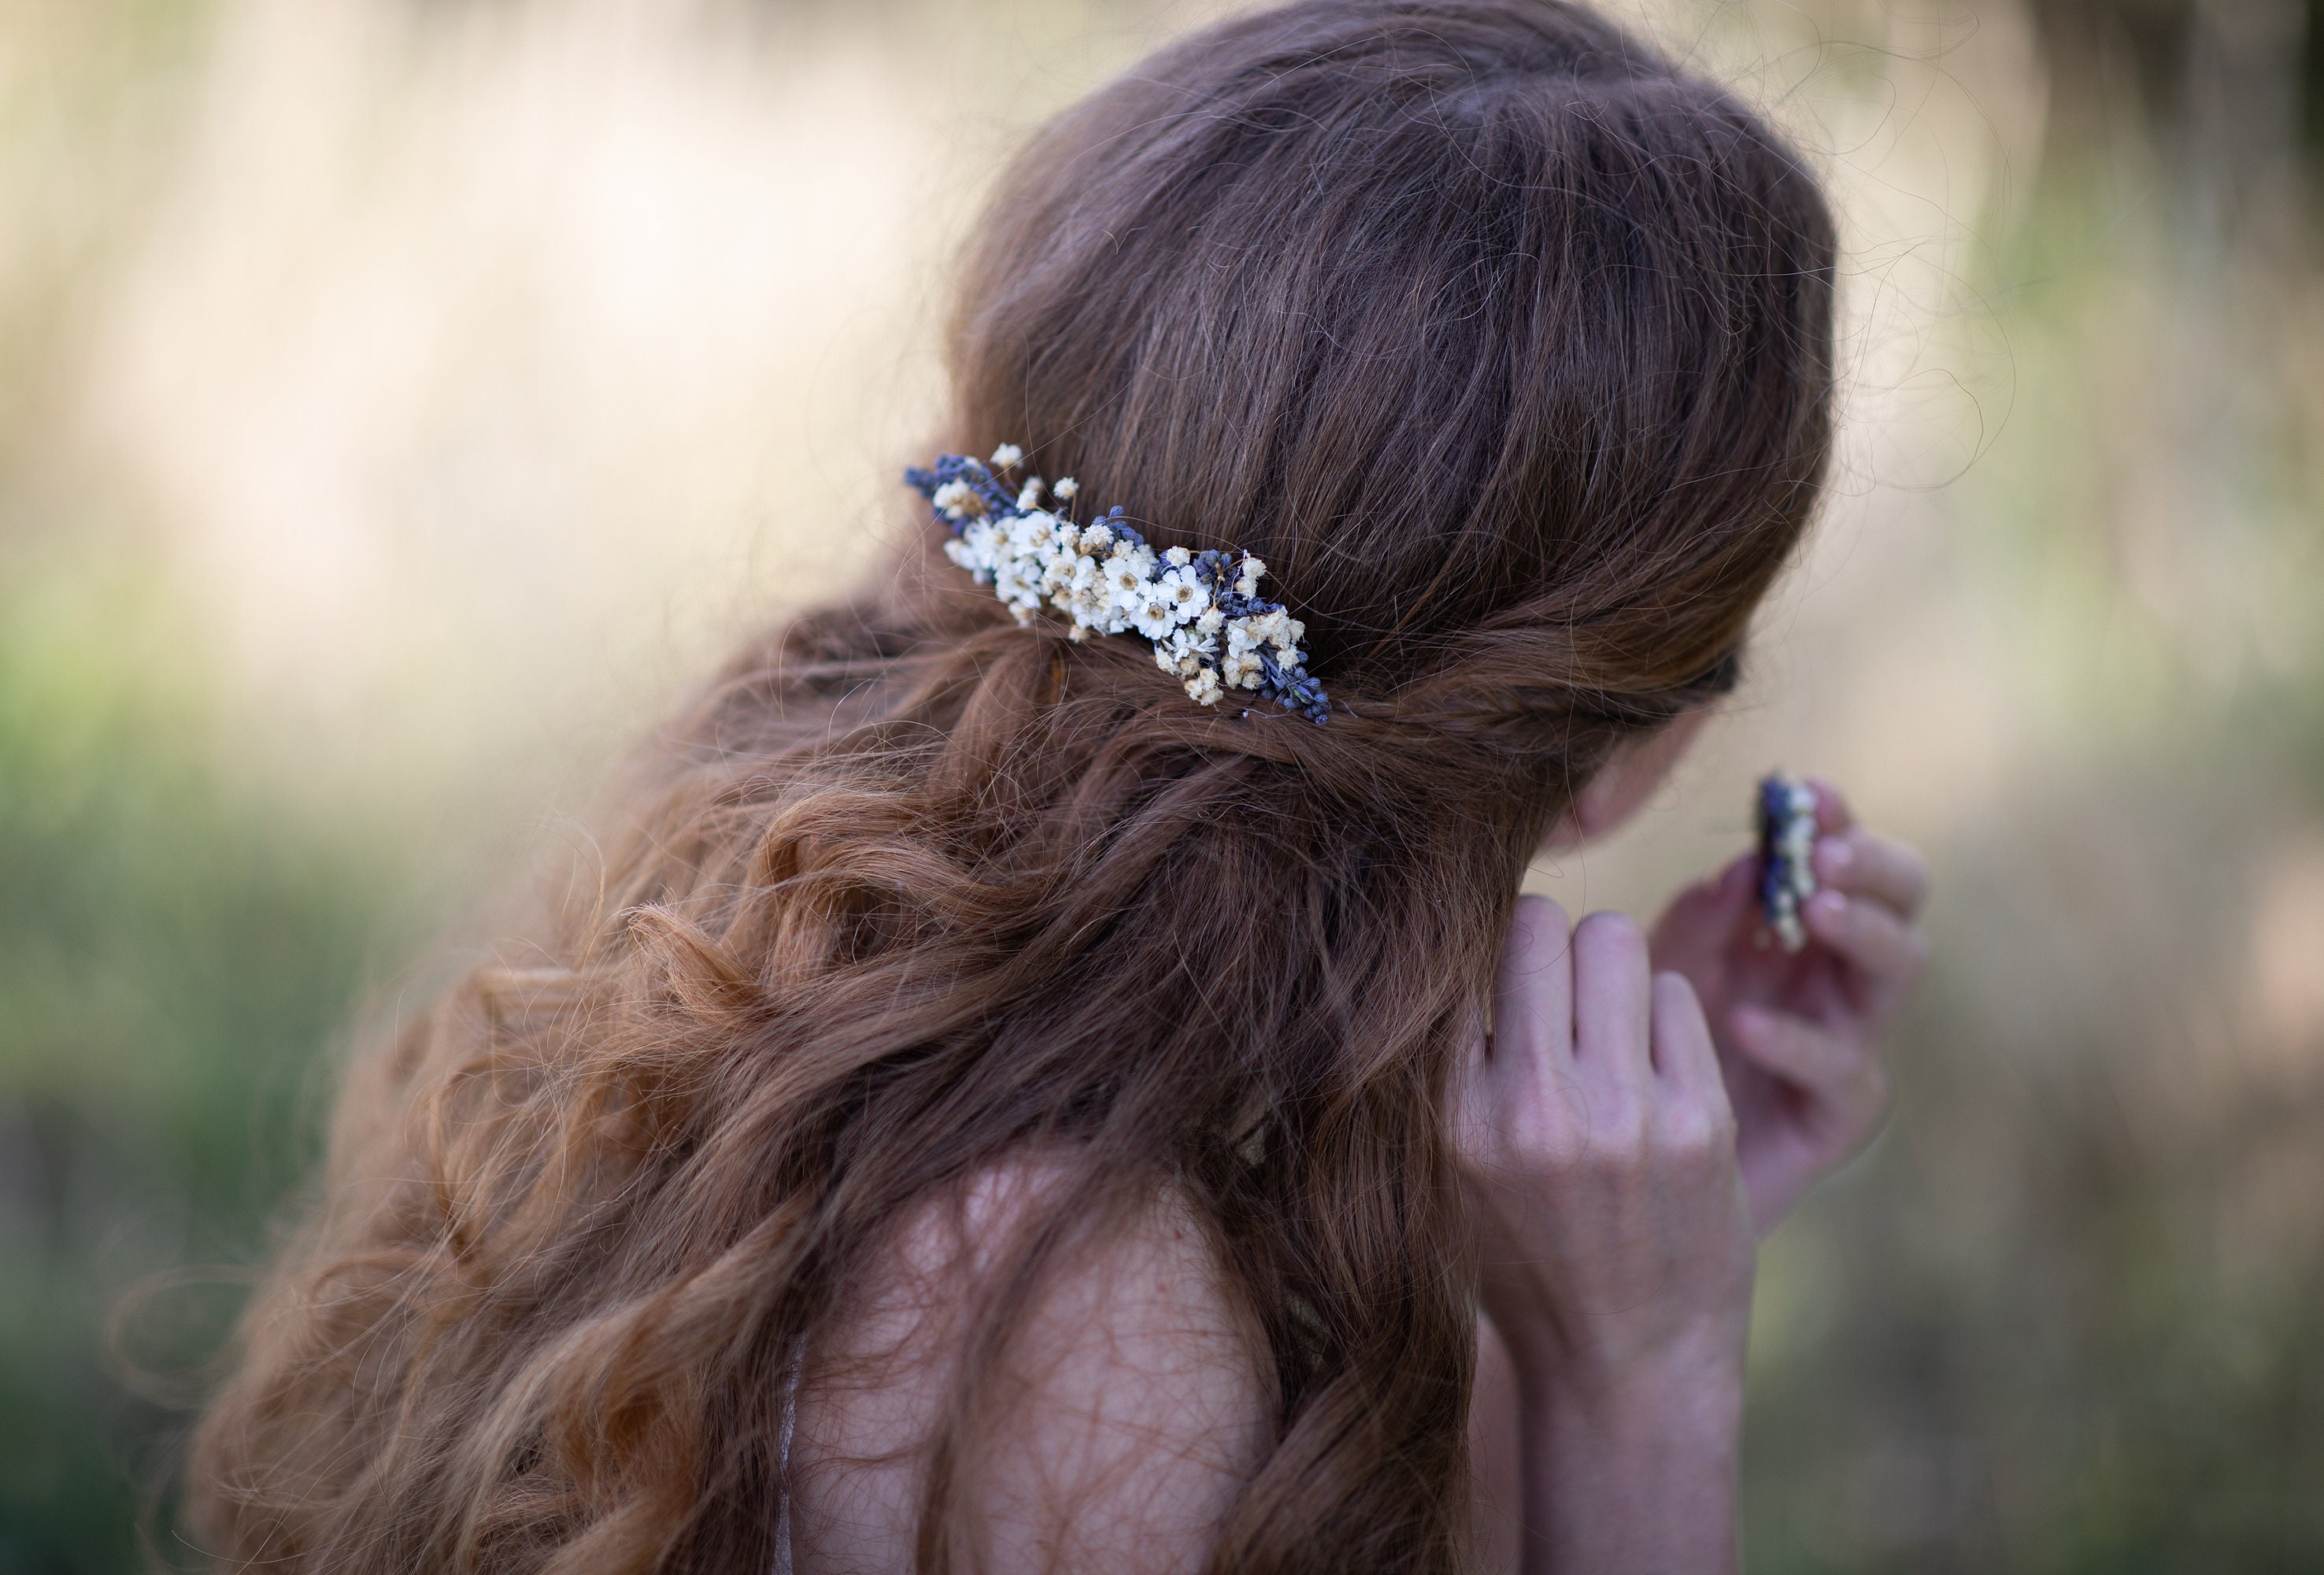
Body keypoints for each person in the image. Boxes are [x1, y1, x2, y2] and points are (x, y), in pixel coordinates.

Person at [186, 1, 1929, 1570]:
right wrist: (1647, 1389)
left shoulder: (793, 943)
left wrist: (1562, 1306)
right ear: (1609, 740)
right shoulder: (1072, 1315)